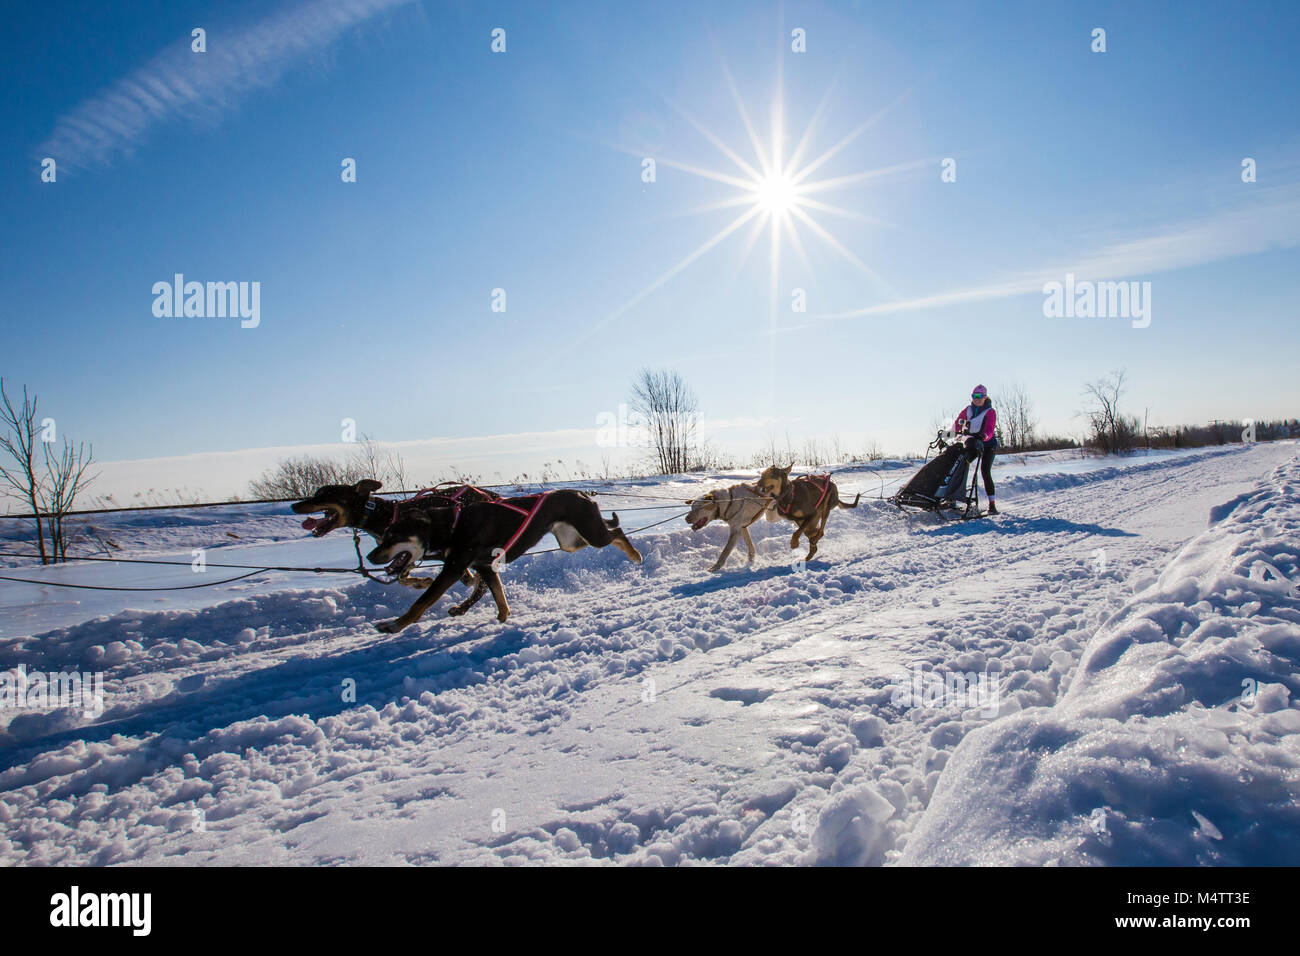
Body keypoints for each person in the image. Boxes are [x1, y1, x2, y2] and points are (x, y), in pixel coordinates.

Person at [953, 385, 998, 514]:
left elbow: (989, 429)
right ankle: (953, 497)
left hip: (988, 445)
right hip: (972, 443)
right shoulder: (968, 410)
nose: (976, 399)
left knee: (985, 471)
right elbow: (956, 426)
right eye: (974, 396)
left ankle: (992, 504)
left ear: (985, 397)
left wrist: (983, 436)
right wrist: (945, 435)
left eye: (979, 396)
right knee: (960, 464)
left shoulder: (990, 412)